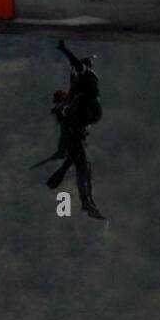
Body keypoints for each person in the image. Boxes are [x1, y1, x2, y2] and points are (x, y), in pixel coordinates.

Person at [33, 40, 104, 219]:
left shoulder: (76, 90)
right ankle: (86, 203)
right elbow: (76, 64)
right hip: (76, 135)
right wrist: (65, 50)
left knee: (84, 167)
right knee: (83, 169)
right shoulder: (83, 77)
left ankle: (88, 202)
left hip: (77, 134)